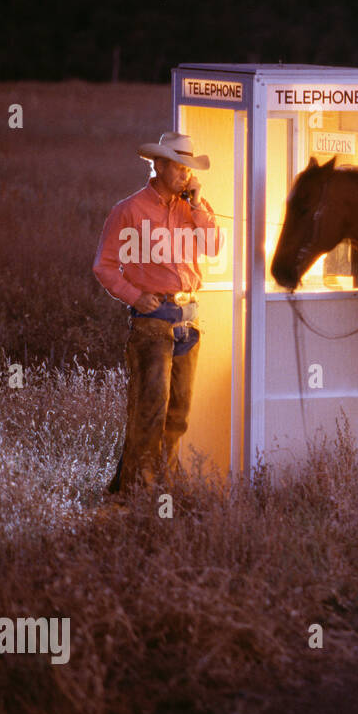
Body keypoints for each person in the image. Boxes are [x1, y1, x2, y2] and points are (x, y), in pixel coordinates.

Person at [92, 131, 222, 496]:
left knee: (177, 416)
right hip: (153, 320)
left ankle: (160, 487)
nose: (184, 174)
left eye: (188, 169)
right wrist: (134, 295)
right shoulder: (129, 210)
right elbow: (104, 266)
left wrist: (197, 204)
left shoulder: (193, 207)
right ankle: (139, 493)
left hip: (188, 319)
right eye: (178, 167)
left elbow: (213, 247)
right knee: (150, 411)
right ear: (159, 165)